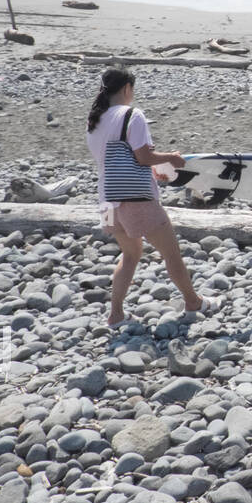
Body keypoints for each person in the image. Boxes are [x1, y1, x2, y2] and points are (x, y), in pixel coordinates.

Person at [85, 68, 220, 329]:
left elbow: (115, 160)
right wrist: (171, 157)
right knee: (171, 253)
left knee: (130, 254)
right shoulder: (132, 115)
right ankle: (193, 301)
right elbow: (143, 158)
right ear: (126, 89)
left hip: (106, 200)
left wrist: (151, 169)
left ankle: (116, 315)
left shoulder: (95, 120)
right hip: (135, 198)